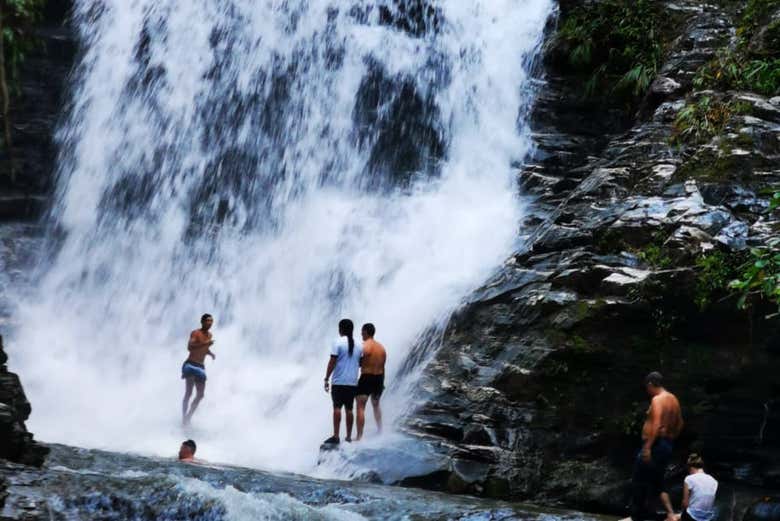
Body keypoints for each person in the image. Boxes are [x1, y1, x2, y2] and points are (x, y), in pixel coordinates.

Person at [630, 372, 684, 521]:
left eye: (646, 387)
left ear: (650, 384)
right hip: (666, 444)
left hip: (654, 445)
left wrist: (648, 447)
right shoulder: (674, 399)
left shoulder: (657, 399)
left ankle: (637, 516)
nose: (647, 391)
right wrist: (671, 436)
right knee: (657, 481)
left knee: (638, 479)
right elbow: (680, 423)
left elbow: (657, 423)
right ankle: (663, 514)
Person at [323, 318, 363, 444]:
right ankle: (349, 437)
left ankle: (336, 436)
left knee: (337, 408)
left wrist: (326, 377)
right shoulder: (359, 344)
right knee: (350, 409)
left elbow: (332, 361)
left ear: (341, 329)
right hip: (352, 382)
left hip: (339, 381)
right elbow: (361, 363)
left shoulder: (338, 342)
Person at [182, 313, 215, 426]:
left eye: (211, 321)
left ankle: (188, 417)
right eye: (208, 321)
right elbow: (190, 347)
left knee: (200, 395)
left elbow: (204, 349)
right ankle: (184, 418)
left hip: (200, 367)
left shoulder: (210, 335)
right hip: (190, 365)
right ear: (202, 322)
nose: (210, 323)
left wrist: (210, 353)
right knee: (189, 393)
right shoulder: (196, 333)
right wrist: (205, 343)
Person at [355, 323, 387, 441]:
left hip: (367, 378)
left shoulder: (366, 345)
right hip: (379, 378)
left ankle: (359, 437)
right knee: (376, 404)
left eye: (362, 332)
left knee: (360, 407)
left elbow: (361, 359)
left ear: (366, 332)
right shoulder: (382, 348)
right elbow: (383, 367)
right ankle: (380, 431)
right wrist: (382, 382)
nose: (361, 334)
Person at [677, 454, 718, 521]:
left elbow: (685, 503)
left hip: (692, 516)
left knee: (672, 518)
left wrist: (681, 514)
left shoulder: (689, 478)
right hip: (708, 517)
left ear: (690, 467)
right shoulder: (714, 481)